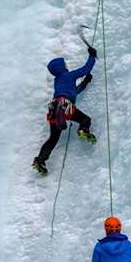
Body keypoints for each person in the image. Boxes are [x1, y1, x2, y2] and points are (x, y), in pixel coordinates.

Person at [31, 44, 97, 175]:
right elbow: (85, 69)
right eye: (64, 64)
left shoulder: (59, 81)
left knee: (53, 138)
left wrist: (86, 82)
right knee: (85, 119)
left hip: (54, 107)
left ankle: (40, 160)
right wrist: (92, 55)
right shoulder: (68, 75)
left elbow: (75, 91)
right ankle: (83, 130)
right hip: (64, 105)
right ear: (61, 68)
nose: (66, 65)